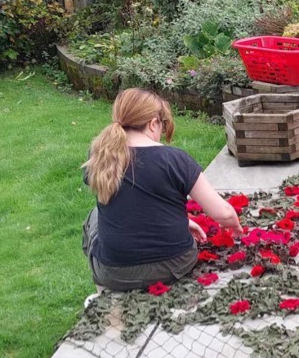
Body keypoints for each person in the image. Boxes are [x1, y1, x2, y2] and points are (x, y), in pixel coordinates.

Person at [81, 88, 244, 292]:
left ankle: (101, 292)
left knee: (96, 215)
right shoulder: (174, 158)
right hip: (176, 264)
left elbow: (129, 203)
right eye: (163, 124)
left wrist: (183, 222)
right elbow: (223, 213)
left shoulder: (100, 156)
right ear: (153, 123)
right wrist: (236, 227)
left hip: (115, 274)